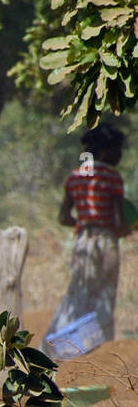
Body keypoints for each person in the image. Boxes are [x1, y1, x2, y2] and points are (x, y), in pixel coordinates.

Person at [44, 123, 131, 352]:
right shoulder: (113, 178)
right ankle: (99, 352)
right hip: (106, 242)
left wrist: (82, 222)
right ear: (104, 151)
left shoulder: (74, 178)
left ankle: (61, 350)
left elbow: (63, 217)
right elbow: (120, 223)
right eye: (117, 150)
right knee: (104, 298)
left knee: (78, 295)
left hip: (83, 241)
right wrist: (127, 229)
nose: (119, 155)